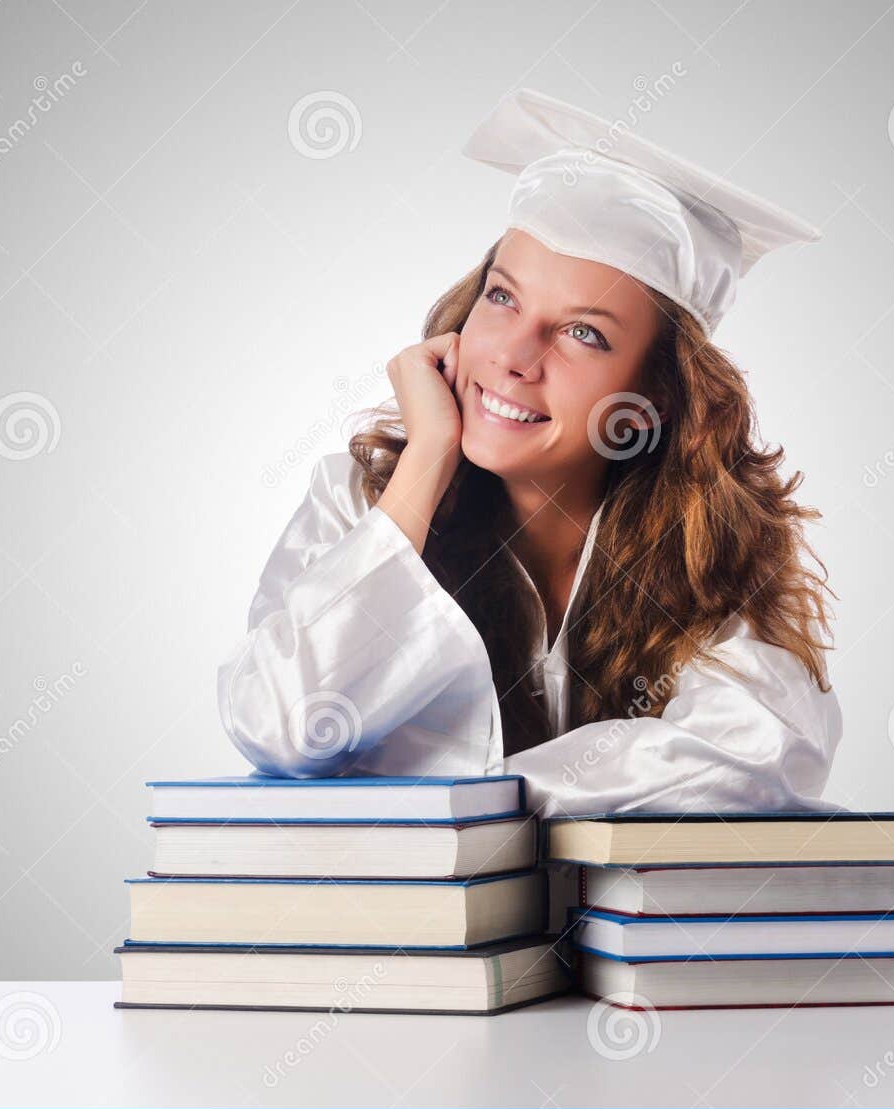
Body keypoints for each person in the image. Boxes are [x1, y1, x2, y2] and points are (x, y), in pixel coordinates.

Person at [217, 89, 843, 818]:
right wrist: (426, 463)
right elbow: (281, 724)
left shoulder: (714, 547)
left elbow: (761, 755)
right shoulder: (361, 503)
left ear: (659, 397)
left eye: (583, 333)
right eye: (503, 297)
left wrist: (470, 805)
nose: (514, 355)